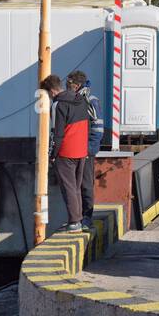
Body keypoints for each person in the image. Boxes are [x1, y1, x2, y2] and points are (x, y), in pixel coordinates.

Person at [43, 72, 88, 233]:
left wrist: (53, 154)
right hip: (82, 150)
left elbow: (57, 132)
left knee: (68, 187)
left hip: (66, 151)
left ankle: (74, 221)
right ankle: (79, 220)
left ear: (51, 91)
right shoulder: (81, 100)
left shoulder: (58, 104)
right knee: (76, 186)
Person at [67, 70, 105, 229]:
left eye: (68, 84)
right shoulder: (71, 100)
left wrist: (90, 150)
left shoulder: (90, 101)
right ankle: (76, 218)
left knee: (86, 184)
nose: (67, 87)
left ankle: (87, 217)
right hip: (73, 149)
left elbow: (98, 128)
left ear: (76, 85)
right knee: (73, 185)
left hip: (86, 151)